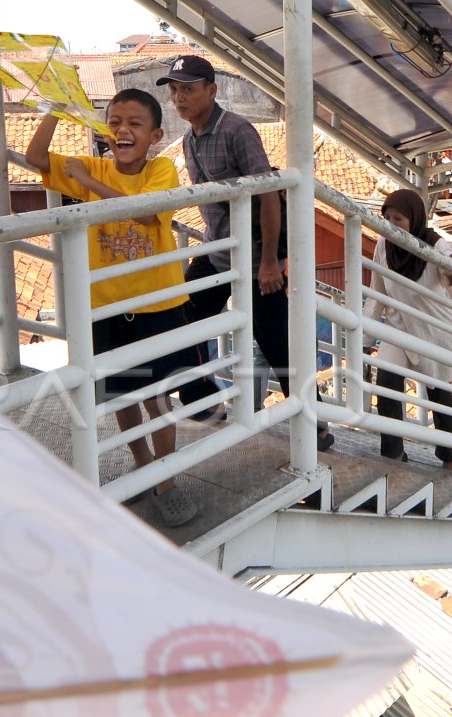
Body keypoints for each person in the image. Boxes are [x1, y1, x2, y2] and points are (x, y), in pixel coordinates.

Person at [26, 88, 200, 528]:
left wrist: (87, 185)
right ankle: (143, 464)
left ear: (156, 134)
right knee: (121, 395)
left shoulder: (160, 170)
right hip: (105, 306)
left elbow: (144, 214)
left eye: (135, 124)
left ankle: (166, 479)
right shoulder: (97, 164)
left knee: (157, 395)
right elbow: (35, 157)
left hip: (157, 305)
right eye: (115, 122)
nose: (123, 130)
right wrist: (56, 109)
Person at [158, 55, 334, 450]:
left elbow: (269, 193)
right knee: (184, 319)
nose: (178, 97)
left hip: (255, 257)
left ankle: (316, 425)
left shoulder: (237, 130)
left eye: (187, 89)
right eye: (174, 90)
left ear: (211, 90)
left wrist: (270, 261)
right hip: (218, 249)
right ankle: (202, 400)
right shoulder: (189, 138)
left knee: (276, 343)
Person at [365, 189, 452, 471]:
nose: (392, 224)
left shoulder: (436, 245)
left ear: (415, 219)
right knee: (387, 383)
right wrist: (365, 338)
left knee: (439, 395)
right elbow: (376, 292)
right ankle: (393, 455)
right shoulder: (383, 245)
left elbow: (449, 278)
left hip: (433, 330)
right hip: (399, 327)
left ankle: (450, 460)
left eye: (399, 219)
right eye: (387, 218)